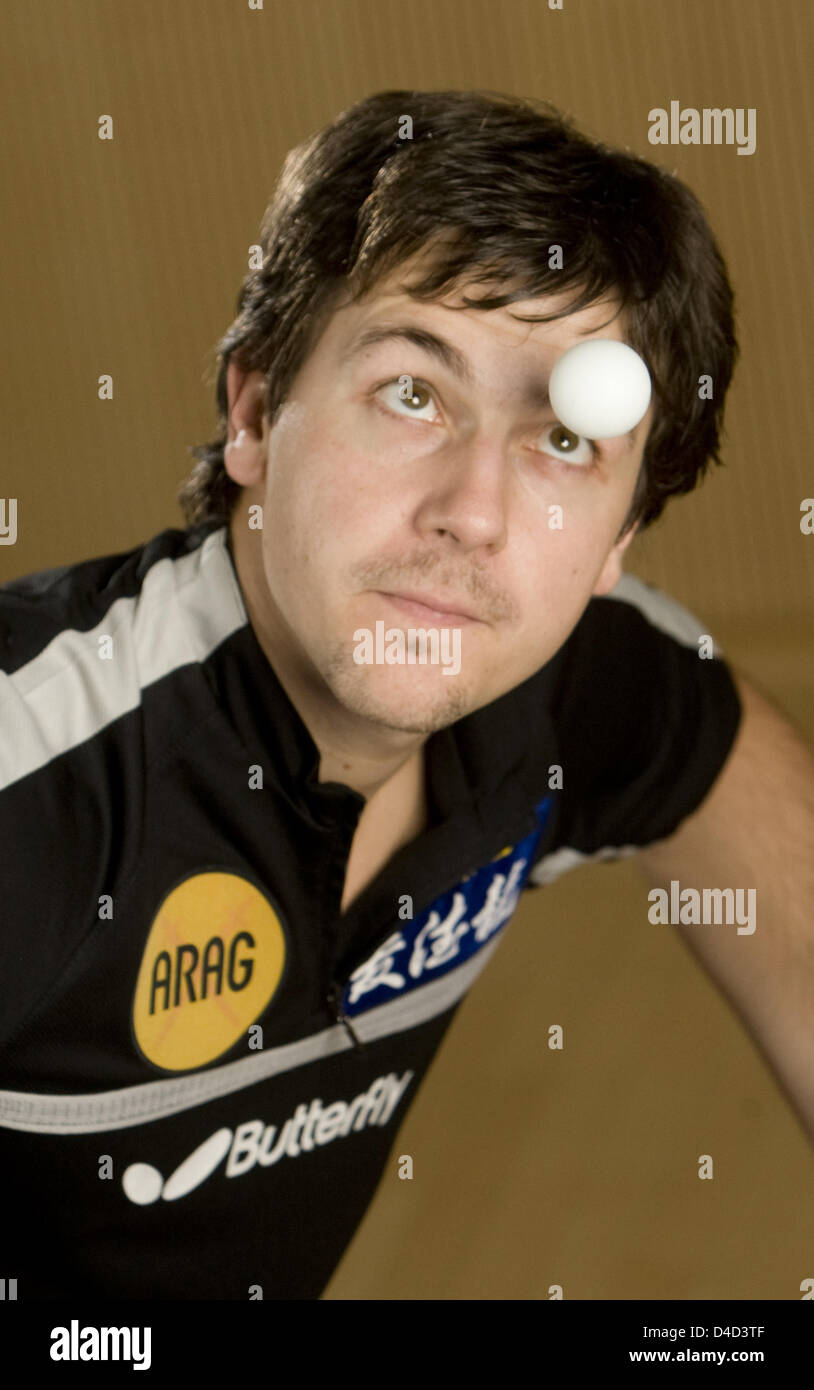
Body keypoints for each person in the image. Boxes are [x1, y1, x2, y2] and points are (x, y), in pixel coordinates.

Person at [0, 89, 811, 1301]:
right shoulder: (37, 782)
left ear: (617, 541)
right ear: (257, 412)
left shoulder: (595, 689)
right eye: (413, 393)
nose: (471, 513)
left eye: (563, 442)